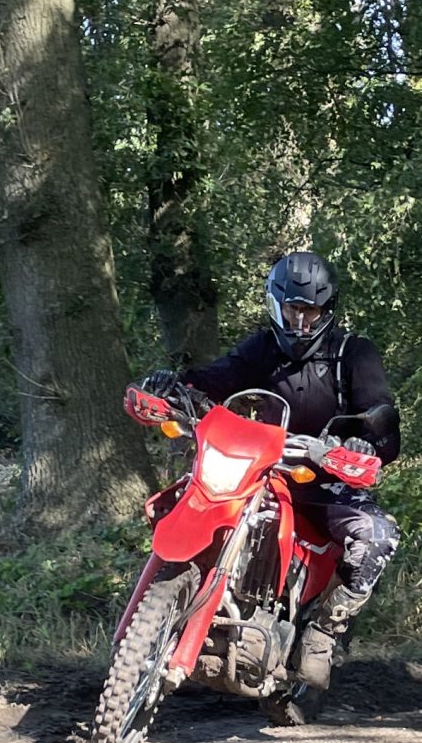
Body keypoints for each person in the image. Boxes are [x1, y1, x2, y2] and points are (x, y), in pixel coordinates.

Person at [140, 250, 401, 691]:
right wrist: (179, 388)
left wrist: (364, 440)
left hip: (326, 481)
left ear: (327, 310)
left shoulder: (352, 354)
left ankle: (323, 631)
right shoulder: (261, 349)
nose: (301, 321)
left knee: (378, 535)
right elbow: (216, 379)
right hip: (261, 471)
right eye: (293, 309)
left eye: (311, 310)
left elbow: (381, 414)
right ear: (276, 305)